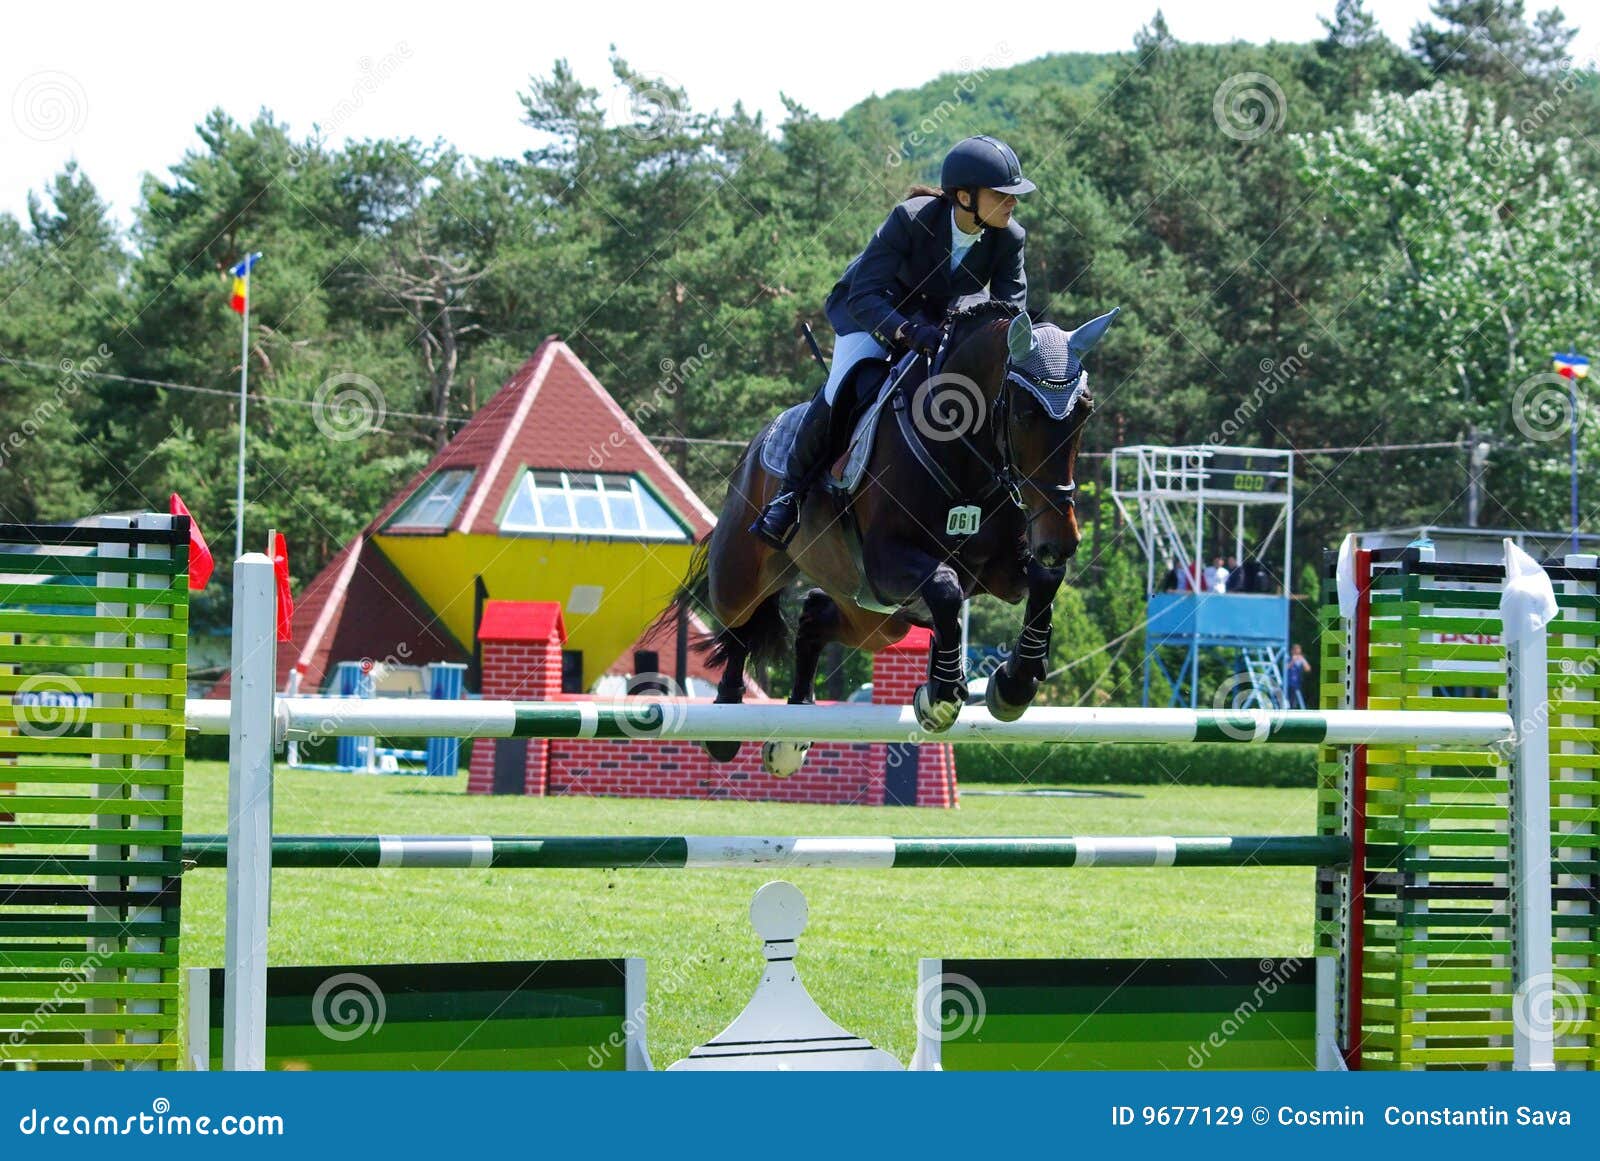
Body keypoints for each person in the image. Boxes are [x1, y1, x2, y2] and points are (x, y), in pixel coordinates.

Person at [750, 135, 1035, 548]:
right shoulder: (911, 218)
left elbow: (1009, 314)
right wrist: (903, 330)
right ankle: (789, 496)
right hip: (870, 309)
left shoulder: (1009, 237)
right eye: (1002, 194)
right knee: (844, 385)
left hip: (939, 318)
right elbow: (865, 292)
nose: (1013, 203)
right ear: (964, 197)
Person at [1285, 642, 1312, 709]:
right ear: (1292, 651)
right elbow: (1285, 668)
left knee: (1295, 701)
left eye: (1298, 652)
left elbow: (1308, 669)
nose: (1297, 654)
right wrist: (1292, 661)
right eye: (1296, 652)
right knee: (1288, 701)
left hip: (1297, 684)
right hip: (1288, 684)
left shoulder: (1301, 660)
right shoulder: (1288, 658)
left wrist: (1303, 661)